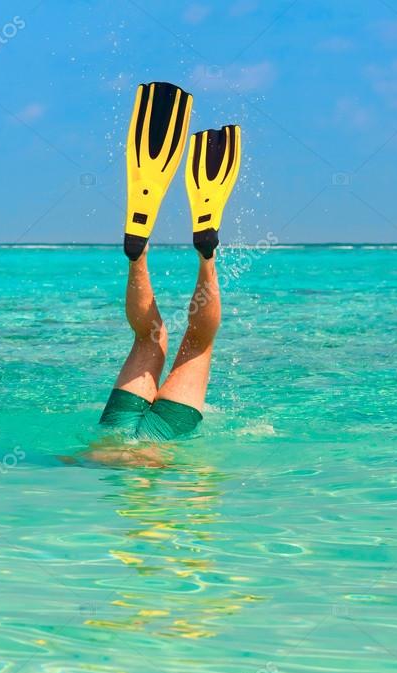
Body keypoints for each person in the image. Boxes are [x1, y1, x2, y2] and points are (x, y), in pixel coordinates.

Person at [97, 81, 241, 442]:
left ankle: (207, 254)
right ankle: (137, 254)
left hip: (160, 442)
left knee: (196, 344)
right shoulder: (88, 464)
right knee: (148, 338)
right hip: (113, 434)